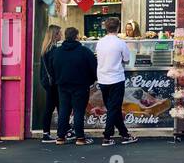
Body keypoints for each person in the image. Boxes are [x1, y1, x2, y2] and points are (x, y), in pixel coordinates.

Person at [52, 27, 97, 146]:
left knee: (63, 111)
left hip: (62, 85)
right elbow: (93, 67)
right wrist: (91, 81)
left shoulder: (57, 51)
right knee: (78, 111)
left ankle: (60, 137)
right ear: (77, 36)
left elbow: (53, 68)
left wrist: (58, 79)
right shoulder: (85, 51)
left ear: (66, 36)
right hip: (81, 85)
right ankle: (80, 138)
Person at [95, 17, 136, 145]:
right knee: (113, 108)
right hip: (116, 79)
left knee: (113, 108)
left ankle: (125, 134)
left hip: (102, 79)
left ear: (106, 28)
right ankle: (107, 136)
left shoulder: (100, 42)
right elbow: (127, 60)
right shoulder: (120, 43)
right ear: (118, 28)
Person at [38, 24, 63, 142]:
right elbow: (55, 68)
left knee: (54, 107)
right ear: (55, 35)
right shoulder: (54, 50)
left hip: (48, 83)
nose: (61, 35)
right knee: (53, 107)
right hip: (53, 83)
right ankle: (48, 134)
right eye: (60, 33)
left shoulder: (45, 50)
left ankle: (52, 132)